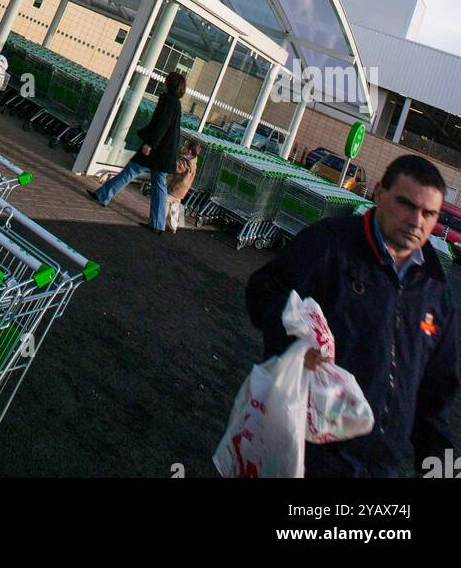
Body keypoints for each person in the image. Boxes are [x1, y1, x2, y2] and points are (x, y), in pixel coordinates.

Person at [246, 154, 459, 478]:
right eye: (406, 204)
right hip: (311, 453)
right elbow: (263, 289)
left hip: (380, 467)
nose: (416, 221)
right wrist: (294, 341)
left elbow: (435, 397)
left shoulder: (435, 290)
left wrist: (444, 471)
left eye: (429, 213)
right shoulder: (330, 244)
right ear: (378, 193)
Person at [85, 71, 187, 234]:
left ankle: (104, 195)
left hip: (156, 149)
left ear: (170, 83)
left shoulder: (168, 101)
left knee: (133, 172)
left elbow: (161, 125)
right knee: (154, 182)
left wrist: (150, 144)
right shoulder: (175, 103)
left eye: (166, 79)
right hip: (163, 151)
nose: (164, 81)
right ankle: (157, 223)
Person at [166, 137, 201, 232]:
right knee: (175, 205)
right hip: (182, 189)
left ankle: (158, 221)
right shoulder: (194, 162)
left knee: (165, 203)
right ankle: (175, 226)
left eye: (184, 146)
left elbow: (176, 168)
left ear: (189, 151)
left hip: (175, 186)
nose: (182, 147)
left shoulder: (184, 161)